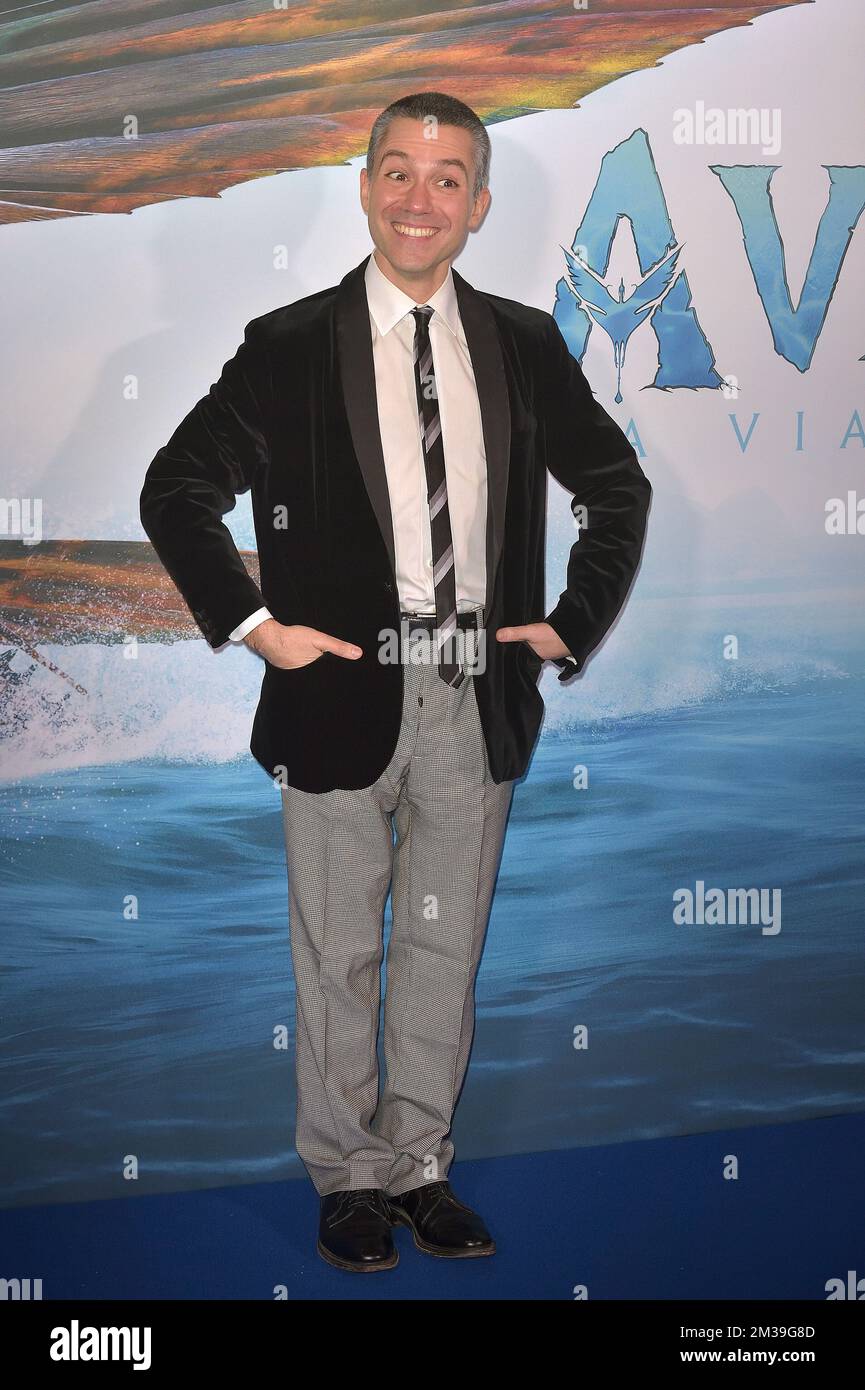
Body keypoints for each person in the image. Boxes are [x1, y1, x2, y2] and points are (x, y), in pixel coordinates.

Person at [140, 90, 652, 1274]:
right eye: (399, 171)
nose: (420, 198)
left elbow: (614, 489)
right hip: (334, 698)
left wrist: (566, 625)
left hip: (477, 692)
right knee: (336, 954)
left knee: (441, 948)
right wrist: (257, 625)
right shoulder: (287, 346)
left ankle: (420, 1169)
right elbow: (176, 488)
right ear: (366, 185)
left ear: (477, 203)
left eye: (447, 178)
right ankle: (347, 1181)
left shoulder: (523, 340)